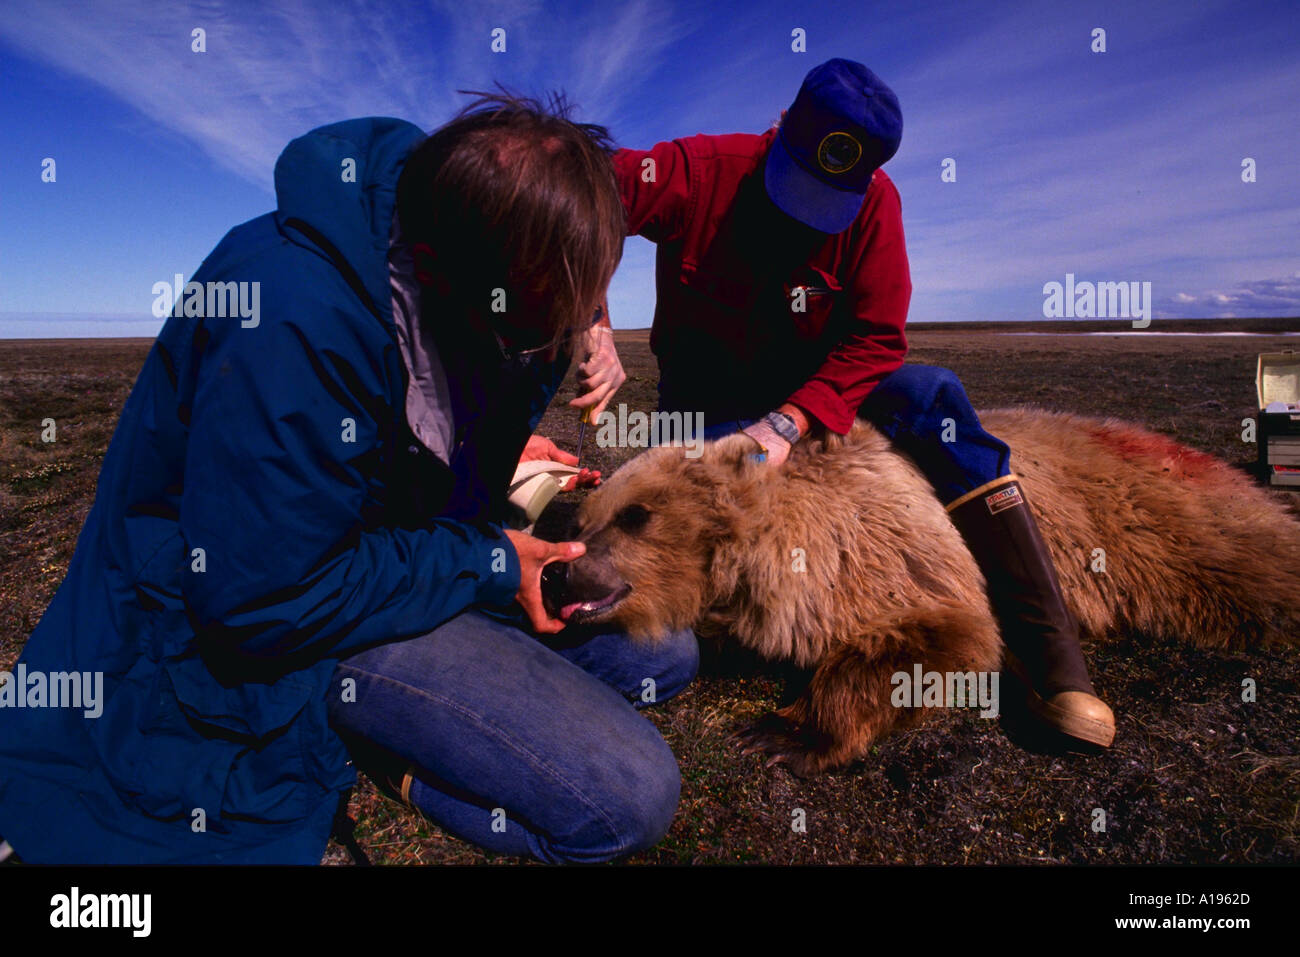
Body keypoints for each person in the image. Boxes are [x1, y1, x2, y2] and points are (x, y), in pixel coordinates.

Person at [0, 93, 696, 866]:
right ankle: (388, 751)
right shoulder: (291, 319)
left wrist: (567, 357)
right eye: (545, 323)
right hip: (287, 616)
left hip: (400, 560)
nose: (558, 341)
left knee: (664, 656)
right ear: (442, 275)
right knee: (627, 798)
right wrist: (493, 560)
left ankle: (455, 708)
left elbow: (415, 451)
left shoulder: (475, 267)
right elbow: (266, 597)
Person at [609, 58, 1115, 749]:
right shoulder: (700, 168)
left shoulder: (877, 206)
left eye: (827, 201)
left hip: (814, 389)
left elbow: (879, 335)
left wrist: (793, 419)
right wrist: (591, 322)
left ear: (867, 178)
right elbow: (592, 196)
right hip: (710, 404)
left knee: (933, 393)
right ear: (780, 127)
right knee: (697, 514)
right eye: (795, 186)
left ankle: (1058, 663)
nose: (803, 215)